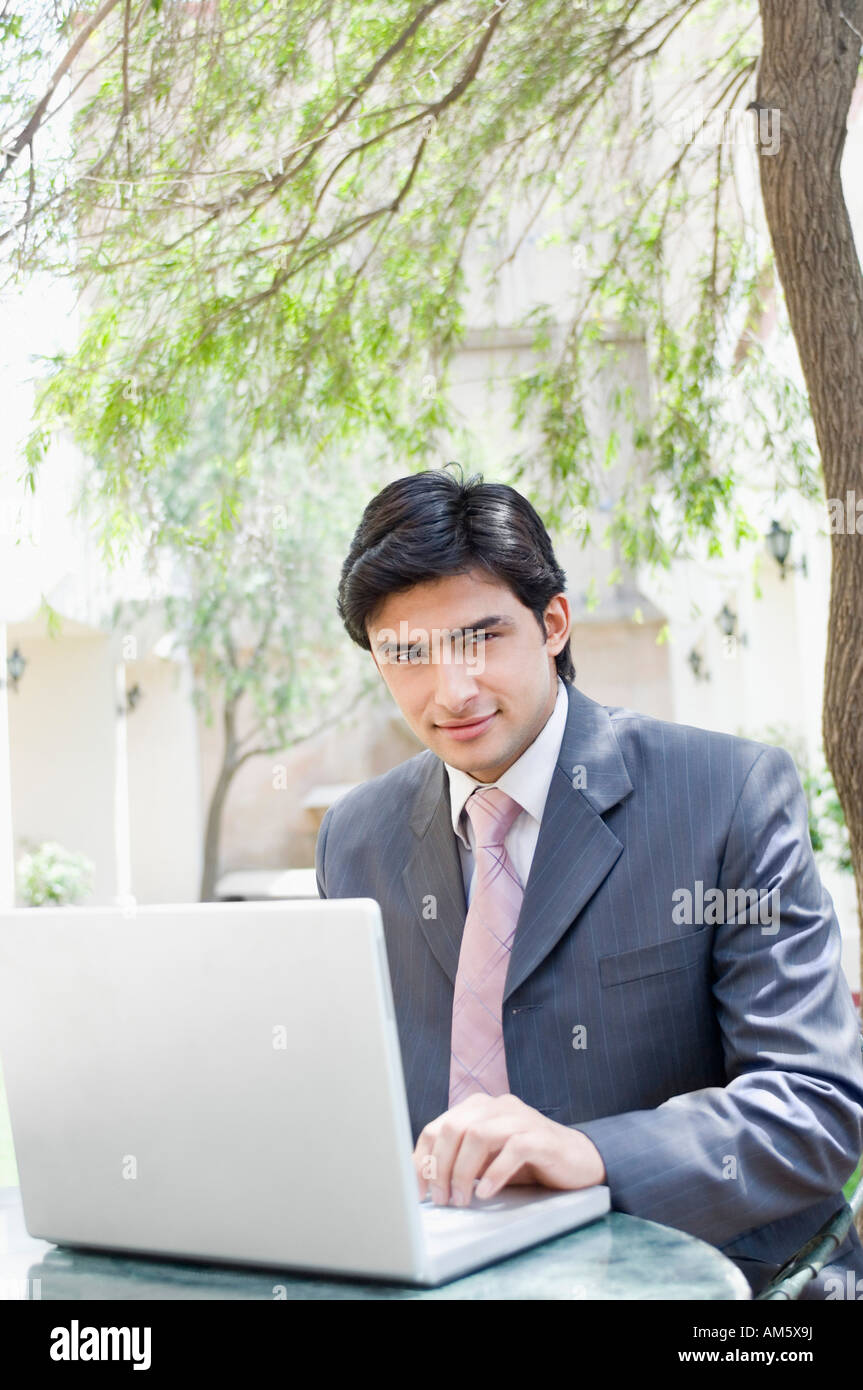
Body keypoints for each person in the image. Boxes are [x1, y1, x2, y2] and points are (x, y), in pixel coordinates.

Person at [315, 465, 863, 1298]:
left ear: (554, 623)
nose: (450, 689)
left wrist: (595, 1154)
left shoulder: (725, 797)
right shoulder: (356, 839)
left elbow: (812, 1108)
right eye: (407, 654)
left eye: (481, 638)